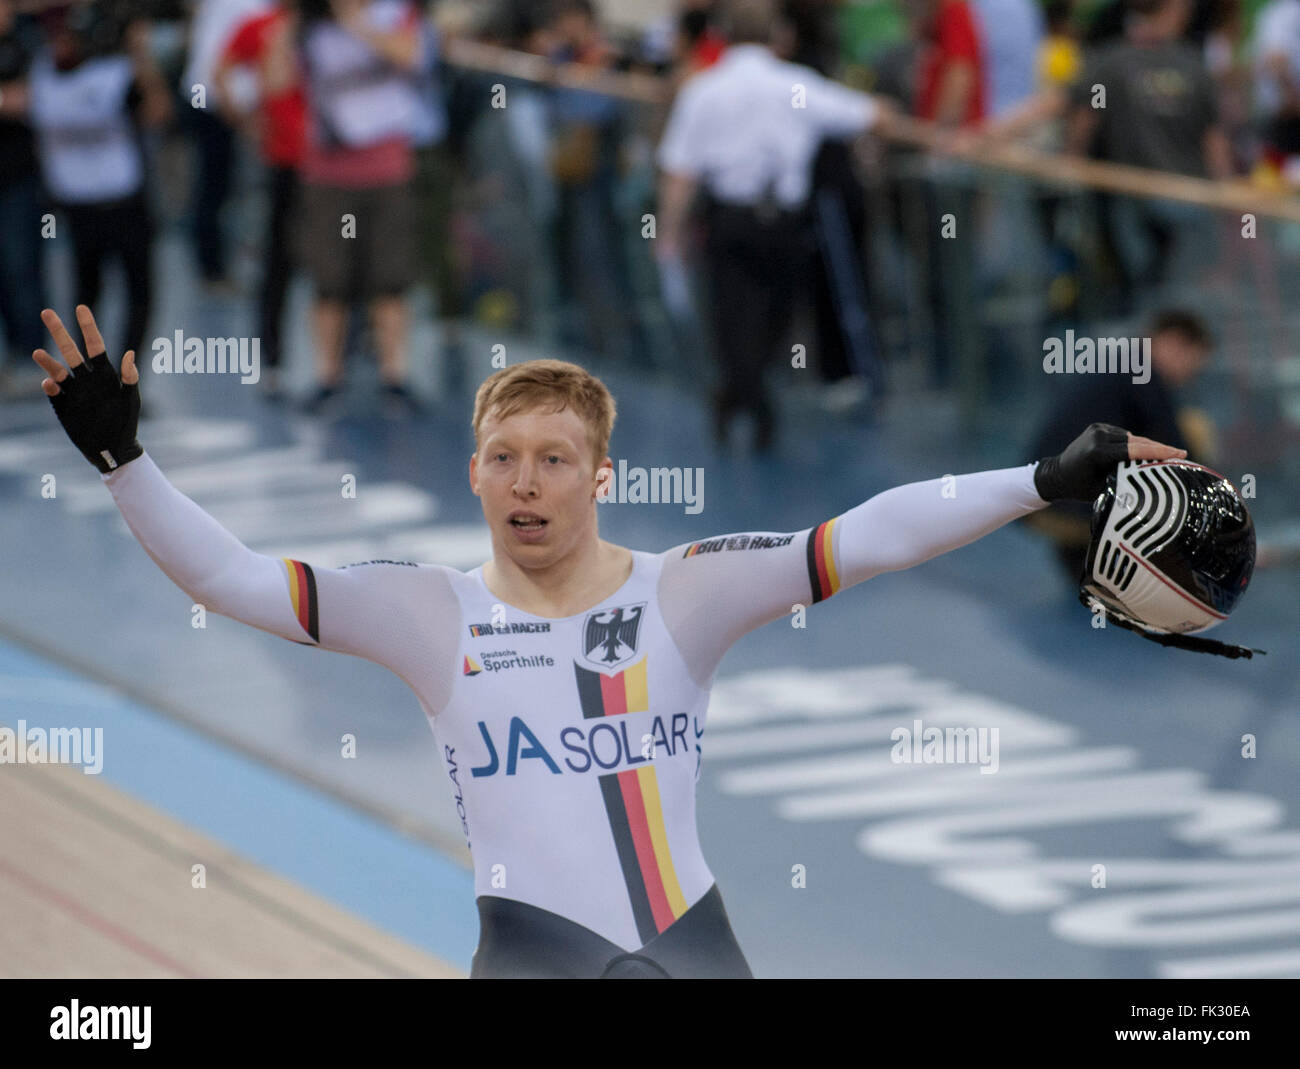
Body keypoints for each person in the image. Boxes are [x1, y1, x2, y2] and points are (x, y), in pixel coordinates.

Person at [31, 302, 1186, 978]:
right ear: (473, 473)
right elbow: (230, 579)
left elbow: (867, 535)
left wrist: (1039, 478)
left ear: (601, 477)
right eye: (502, 459)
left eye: (554, 460)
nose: (525, 483)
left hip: (692, 952)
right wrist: (124, 464)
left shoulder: (689, 591)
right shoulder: (426, 611)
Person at [656, 0, 893, 452]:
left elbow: (680, 171)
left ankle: (740, 393)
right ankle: (753, 398)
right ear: (780, 36)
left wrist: (669, 232)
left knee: (732, 317)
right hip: (782, 224)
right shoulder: (796, 85)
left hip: (728, 219)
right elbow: (868, 114)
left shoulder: (703, 90)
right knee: (774, 318)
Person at [27, 5, 172, 380]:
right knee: (85, 295)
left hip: (124, 199)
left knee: (140, 290)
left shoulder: (115, 75)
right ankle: (92, 376)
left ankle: (128, 374)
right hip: (76, 204)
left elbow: (158, 113)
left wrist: (141, 58)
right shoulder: (42, 73)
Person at [1026, 308, 1214, 581]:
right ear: (1174, 342)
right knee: (1194, 430)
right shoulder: (1144, 375)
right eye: (1192, 366)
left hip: (1043, 491)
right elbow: (1179, 453)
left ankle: (1088, 554)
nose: (1187, 378)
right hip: (1069, 503)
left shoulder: (1120, 364)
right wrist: (1222, 526)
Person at [214, 0, 308, 402]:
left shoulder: (336, 23)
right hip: (285, 160)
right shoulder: (264, 25)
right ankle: (272, 359)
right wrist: (244, 119)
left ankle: (347, 357)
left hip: (336, 163)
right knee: (278, 261)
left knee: (342, 261)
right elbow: (222, 73)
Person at [0, 0, 45, 397]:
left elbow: (28, 100)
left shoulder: (27, 44)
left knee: (21, 265)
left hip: (17, 176)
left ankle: (30, 356)